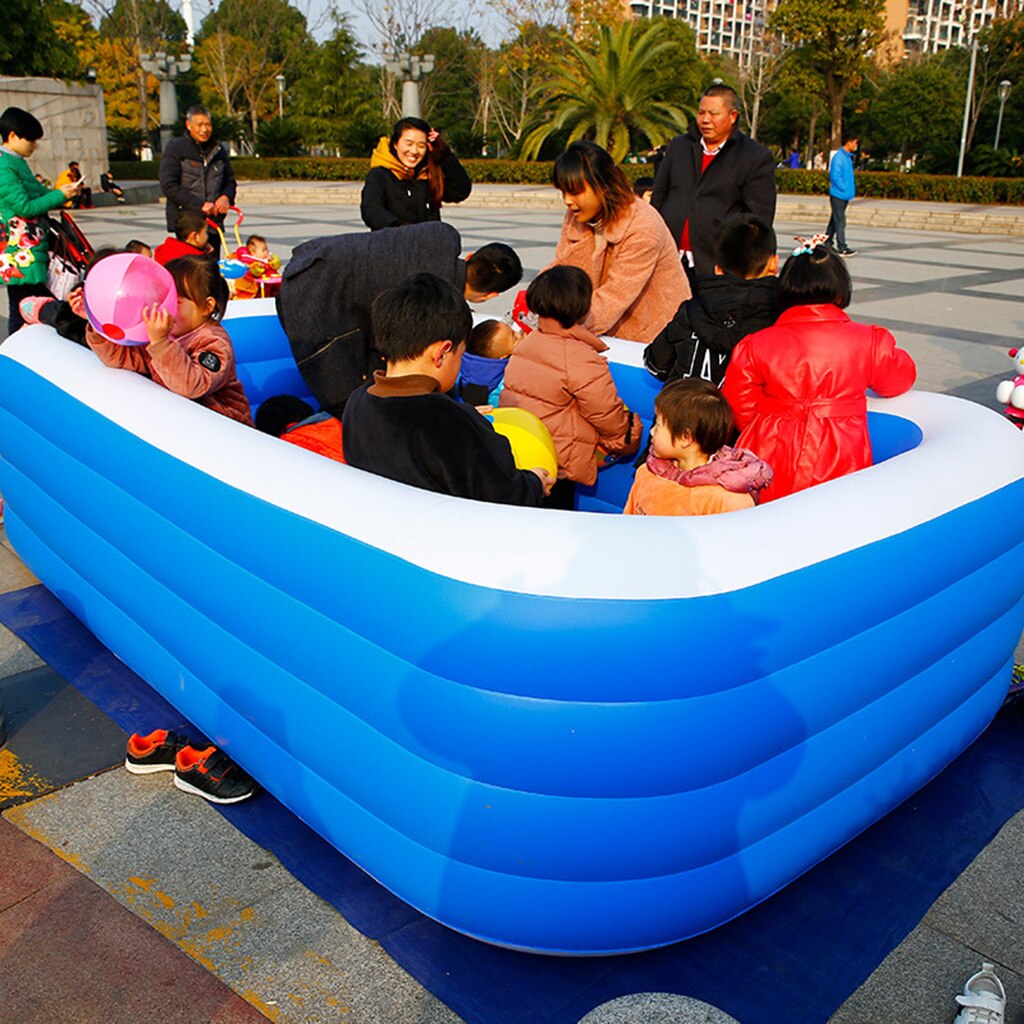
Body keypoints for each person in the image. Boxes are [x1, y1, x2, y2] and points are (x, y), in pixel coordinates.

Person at [721, 238, 916, 503]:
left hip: (768, 451)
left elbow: (740, 408)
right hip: (840, 452)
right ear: (839, 289)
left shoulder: (755, 344)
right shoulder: (869, 341)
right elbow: (899, 379)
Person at [342, 272, 549, 506]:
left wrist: (462, 414)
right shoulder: (445, 421)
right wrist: (533, 482)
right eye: (460, 355)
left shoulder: (358, 400)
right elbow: (503, 495)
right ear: (442, 353)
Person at [277, 221, 522, 417]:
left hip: (309, 261)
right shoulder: (437, 304)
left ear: (470, 257)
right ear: (492, 295)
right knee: (351, 404)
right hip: (316, 299)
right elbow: (420, 370)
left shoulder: (438, 236)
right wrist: (456, 414)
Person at [500, 265, 641, 508]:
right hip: (559, 460)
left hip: (525, 449)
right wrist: (629, 434)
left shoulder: (528, 342)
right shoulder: (579, 356)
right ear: (582, 307)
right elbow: (606, 413)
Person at [81, 254, 253, 426]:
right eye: (161, 297)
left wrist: (161, 343)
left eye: (175, 302)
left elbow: (192, 385)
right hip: (181, 423)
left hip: (226, 428)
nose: (165, 306)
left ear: (207, 307)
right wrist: (98, 327)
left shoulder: (213, 342)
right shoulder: (164, 331)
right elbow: (121, 359)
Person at [547, 140, 689, 345]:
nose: (567, 200)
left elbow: (614, 297)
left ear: (603, 185)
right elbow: (562, 267)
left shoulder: (642, 225)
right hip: (599, 335)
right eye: (563, 192)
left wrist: (558, 328)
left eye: (575, 191)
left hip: (650, 342)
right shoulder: (576, 216)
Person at [651, 84, 777, 280]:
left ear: (732, 116)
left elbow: (759, 219)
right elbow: (659, 196)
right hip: (668, 260)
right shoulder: (679, 147)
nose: (705, 120)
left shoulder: (754, 157)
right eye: (701, 113)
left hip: (716, 266)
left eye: (713, 113)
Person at [643, 214, 780, 388]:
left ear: (718, 269)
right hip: (739, 413)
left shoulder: (691, 309)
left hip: (681, 410)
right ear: (774, 263)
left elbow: (654, 364)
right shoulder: (780, 318)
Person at [624, 378, 772, 516]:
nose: (652, 431)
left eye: (658, 425)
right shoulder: (647, 472)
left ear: (685, 438)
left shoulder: (728, 500)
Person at [0, 106, 84, 334]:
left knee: (27, 304)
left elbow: (38, 193)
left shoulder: (15, 161)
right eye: (30, 140)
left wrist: (62, 192)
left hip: (28, 249)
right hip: (19, 253)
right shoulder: (4, 166)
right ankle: (14, 356)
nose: (34, 145)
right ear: (13, 136)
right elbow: (25, 207)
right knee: (24, 307)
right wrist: (60, 195)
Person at [360, 116, 472, 231]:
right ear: (395, 144)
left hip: (428, 246)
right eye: (408, 144)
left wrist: (445, 156)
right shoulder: (380, 175)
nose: (414, 151)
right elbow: (371, 210)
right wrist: (400, 227)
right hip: (392, 245)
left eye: (421, 146)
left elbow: (461, 191)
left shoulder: (427, 175)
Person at [159, 105, 236, 259]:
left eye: (208, 125)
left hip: (213, 223)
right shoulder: (176, 148)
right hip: (188, 224)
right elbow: (168, 185)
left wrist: (226, 197)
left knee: (212, 269)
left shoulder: (218, 150)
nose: (204, 129)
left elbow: (230, 181)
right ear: (189, 125)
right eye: (200, 125)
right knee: (191, 269)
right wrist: (199, 204)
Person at [458, 319, 519, 406]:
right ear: (503, 357)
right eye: (514, 338)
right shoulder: (506, 377)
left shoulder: (457, 366)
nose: (518, 334)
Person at [825, 134, 858, 257]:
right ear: (848, 143)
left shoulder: (847, 157)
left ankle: (827, 241)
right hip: (838, 194)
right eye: (855, 143)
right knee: (840, 220)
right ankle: (842, 247)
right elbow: (835, 176)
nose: (856, 146)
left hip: (845, 194)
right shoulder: (839, 157)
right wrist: (843, 188)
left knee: (835, 219)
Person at [234, 234, 282, 300]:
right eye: (263, 250)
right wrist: (258, 267)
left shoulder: (267, 259)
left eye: (266, 249)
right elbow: (250, 272)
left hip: (267, 285)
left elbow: (277, 265)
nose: (266, 252)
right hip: (252, 289)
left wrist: (273, 261)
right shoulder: (249, 261)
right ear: (253, 253)